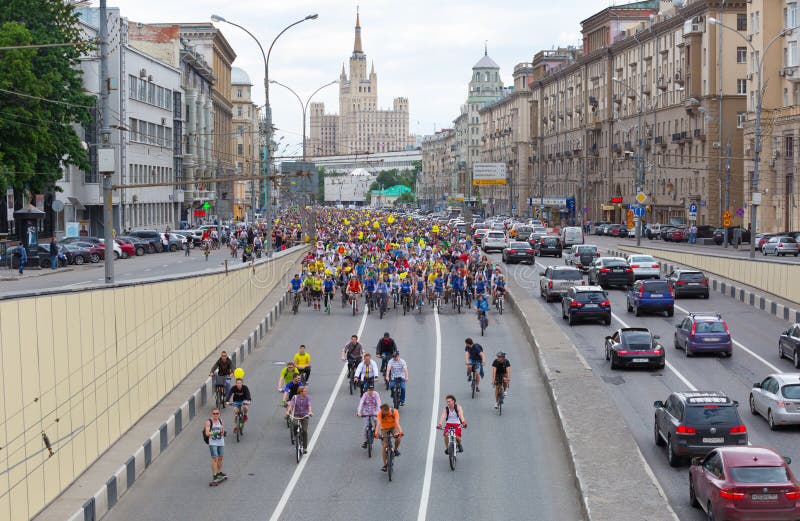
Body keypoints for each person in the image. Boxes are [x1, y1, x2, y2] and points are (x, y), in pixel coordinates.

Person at [375, 403, 403, 472]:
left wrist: (400, 432)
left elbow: (397, 423)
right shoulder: (380, 413)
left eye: (384, 413)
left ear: (387, 411)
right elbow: (378, 424)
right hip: (384, 428)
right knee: (384, 446)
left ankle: (395, 450)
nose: (382, 413)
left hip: (393, 427)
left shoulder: (395, 412)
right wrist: (376, 434)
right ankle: (385, 465)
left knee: (398, 438)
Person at [286, 386, 313, 453]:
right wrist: (288, 411)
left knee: (304, 431)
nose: (306, 392)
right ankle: (296, 436)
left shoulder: (308, 398)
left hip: (304, 415)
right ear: (300, 392)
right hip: (296, 415)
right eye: (305, 391)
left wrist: (310, 412)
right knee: (295, 425)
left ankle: (305, 447)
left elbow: (309, 405)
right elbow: (291, 405)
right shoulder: (295, 397)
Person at [357, 381, 381, 448]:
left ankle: (376, 431)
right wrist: (359, 412)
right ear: (367, 390)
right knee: (365, 427)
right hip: (366, 411)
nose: (371, 391)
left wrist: (378, 412)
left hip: (374, 411)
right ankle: (365, 442)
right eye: (369, 390)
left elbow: (379, 403)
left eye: (372, 390)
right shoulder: (365, 395)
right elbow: (361, 403)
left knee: (377, 421)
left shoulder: (376, 394)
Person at [205, 408, 226, 481]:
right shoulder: (209, 422)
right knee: (214, 458)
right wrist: (216, 432)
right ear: (212, 414)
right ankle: (214, 475)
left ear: (219, 414)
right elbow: (207, 433)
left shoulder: (220, 420)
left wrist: (222, 432)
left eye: (217, 413)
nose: (215, 415)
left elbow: (223, 430)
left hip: (221, 441)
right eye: (214, 413)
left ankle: (219, 472)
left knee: (220, 458)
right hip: (213, 442)